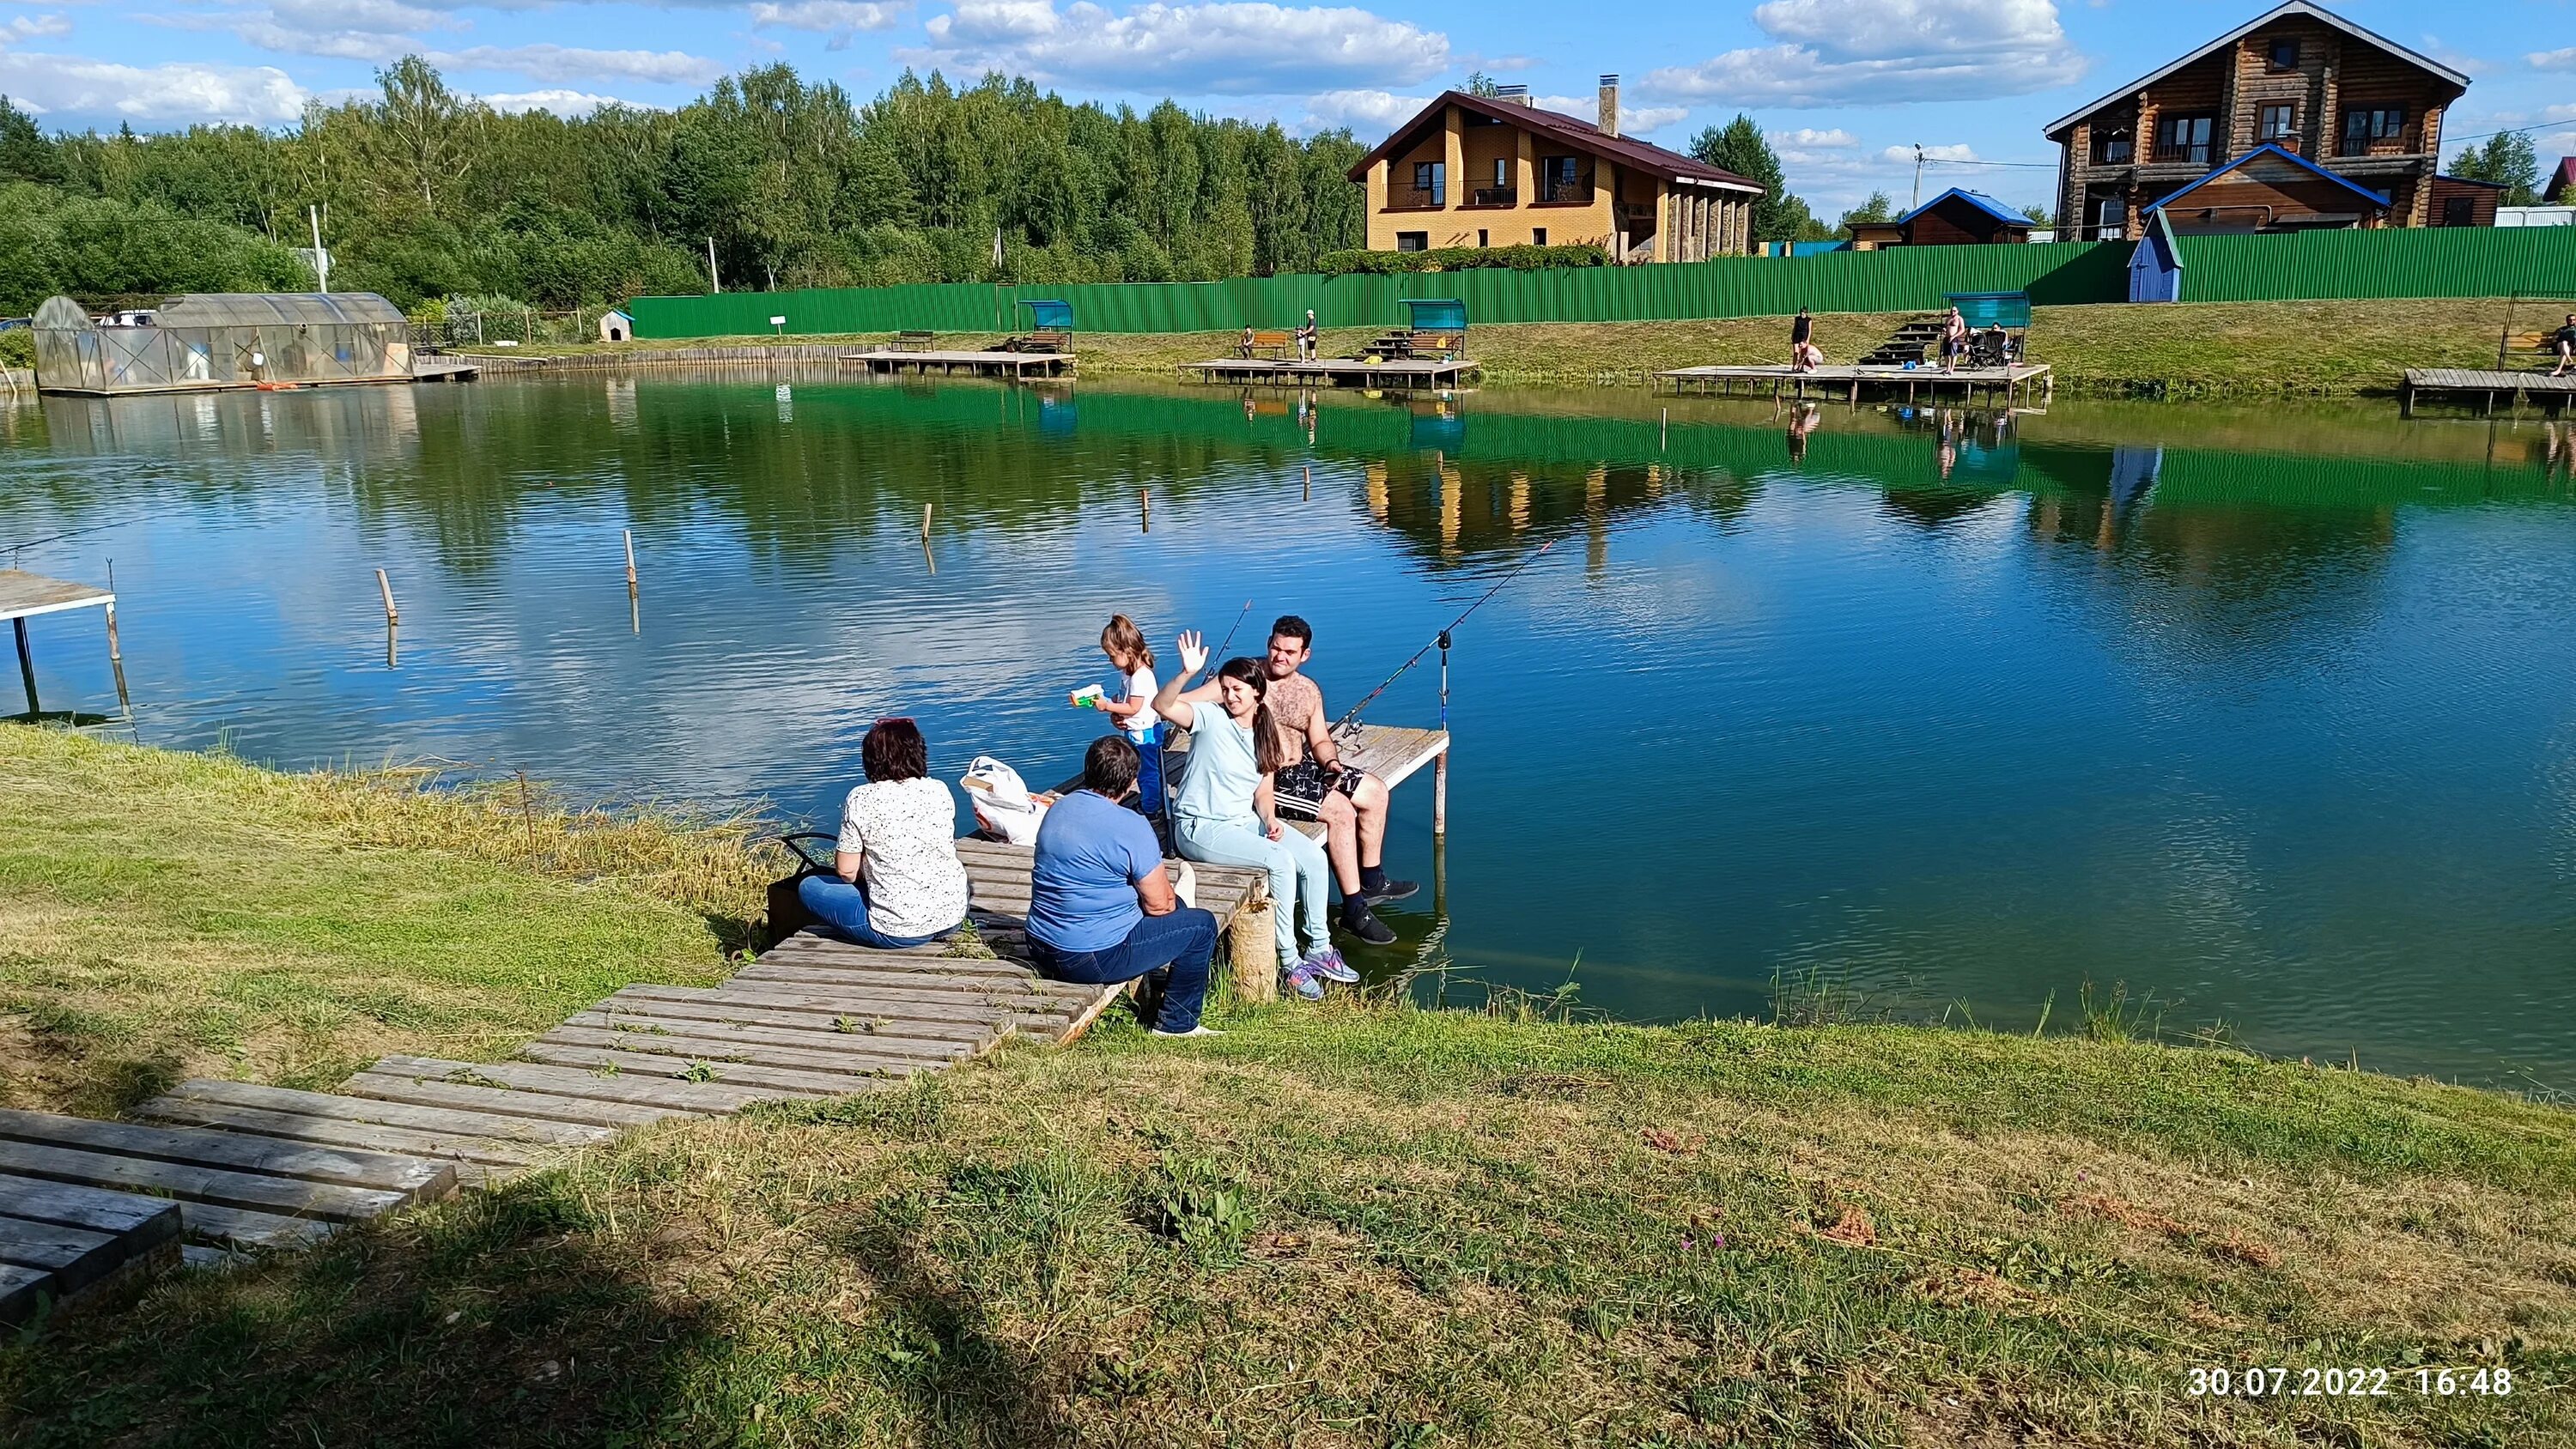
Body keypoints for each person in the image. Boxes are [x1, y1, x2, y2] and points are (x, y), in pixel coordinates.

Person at [1154, 634, 1354, 1000]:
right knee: (1279, 861)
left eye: (1237, 690)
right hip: (1199, 826)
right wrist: (1186, 673)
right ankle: (1290, 960)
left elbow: (1263, 790)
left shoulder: (1266, 732)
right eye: (1226, 689)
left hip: (1243, 820)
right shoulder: (1209, 719)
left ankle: (1320, 949)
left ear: (1257, 694)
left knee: (1312, 856)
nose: (1230, 696)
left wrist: (1271, 818)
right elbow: (1163, 705)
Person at [1026, 736, 1222, 1037]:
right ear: (1131, 781)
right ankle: (1177, 1025)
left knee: (1145, 897)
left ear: (1088, 768)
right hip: (1091, 959)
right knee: (1200, 926)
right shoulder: (1131, 825)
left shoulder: (1058, 809)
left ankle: (1180, 908)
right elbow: (1160, 906)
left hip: (1040, 945)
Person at [1257, 615, 1415, 947]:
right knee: (1342, 812)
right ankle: (1354, 910)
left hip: (1304, 766)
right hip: (1268, 778)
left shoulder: (1308, 690)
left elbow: (1320, 740)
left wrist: (1331, 764)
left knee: (1375, 791)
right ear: (1268, 643)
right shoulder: (1246, 678)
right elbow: (1187, 706)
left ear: (1305, 655)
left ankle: (1372, 881)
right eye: (1275, 647)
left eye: (1289, 651)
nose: (1279, 657)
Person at [799, 717, 969, 949]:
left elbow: (846, 872)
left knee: (810, 887)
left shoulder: (862, 798)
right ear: (919, 753)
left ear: (870, 760)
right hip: (953, 916)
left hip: (898, 930)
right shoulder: (938, 789)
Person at [1088, 614, 1167, 815]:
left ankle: (1151, 808)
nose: (1109, 660)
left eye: (1112, 655)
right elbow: (1126, 701)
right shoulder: (1129, 674)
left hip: (1145, 732)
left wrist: (1107, 706)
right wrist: (1113, 706)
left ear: (1127, 651)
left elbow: (1133, 707)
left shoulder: (1141, 676)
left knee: (1147, 772)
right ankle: (1149, 802)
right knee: (1140, 769)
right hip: (1136, 730)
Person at [1940, 306, 1969, 373]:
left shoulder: (1959, 319)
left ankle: (1952, 369)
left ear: (1957, 311)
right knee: (1945, 354)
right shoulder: (1948, 318)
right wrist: (1944, 329)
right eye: (1952, 311)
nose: (1953, 312)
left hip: (1954, 338)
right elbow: (1945, 327)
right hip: (1947, 337)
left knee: (1953, 354)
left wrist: (1953, 337)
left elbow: (1962, 330)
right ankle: (1948, 368)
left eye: (1954, 311)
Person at [1789, 306, 1814, 371]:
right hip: (1797, 336)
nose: (1802, 315)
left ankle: (1801, 367)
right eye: (1801, 314)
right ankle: (1794, 366)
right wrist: (1792, 335)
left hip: (1804, 337)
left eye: (1803, 314)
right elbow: (1795, 327)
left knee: (1802, 354)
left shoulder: (1809, 320)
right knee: (1796, 352)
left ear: (1806, 313)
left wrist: (1807, 339)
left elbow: (1809, 330)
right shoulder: (1797, 319)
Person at [2553, 312, 2576, 378]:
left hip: (2571, 348)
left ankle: (2559, 370)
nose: (2572, 321)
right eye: (2570, 320)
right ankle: (2569, 360)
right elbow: (2554, 341)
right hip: (2559, 346)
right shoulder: (2561, 330)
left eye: (2574, 320)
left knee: (2564, 351)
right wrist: (2563, 338)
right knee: (2564, 343)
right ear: (2567, 321)